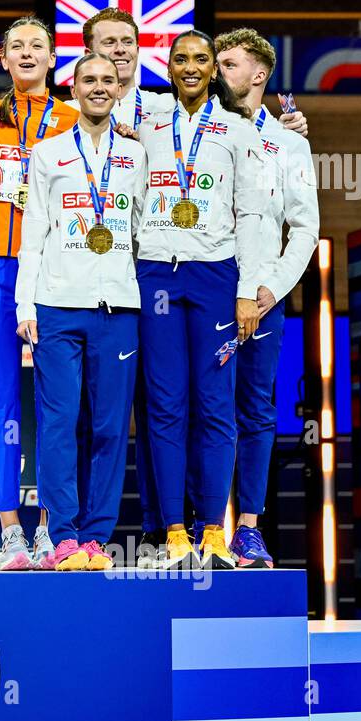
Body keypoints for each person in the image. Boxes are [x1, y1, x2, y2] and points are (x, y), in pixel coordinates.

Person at [135, 29, 276, 569]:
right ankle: (174, 533)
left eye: (201, 59)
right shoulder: (146, 127)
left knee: (216, 408)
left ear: (214, 69)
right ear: (167, 67)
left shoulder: (238, 131)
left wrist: (247, 292)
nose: (190, 67)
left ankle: (213, 532)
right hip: (158, 278)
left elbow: (252, 216)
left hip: (217, 279)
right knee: (166, 405)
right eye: (180, 59)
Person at [16, 52, 147, 570]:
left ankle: (96, 538)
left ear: (119, 88)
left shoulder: (137, 157)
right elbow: (33, 235)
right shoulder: (46, 154)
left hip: (118, 306)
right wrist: (25, 303)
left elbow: (141, 233)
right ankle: (63, 536)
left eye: (107, 80)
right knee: (58, 422)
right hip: (56, 305)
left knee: (112, 427)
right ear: (73, 88)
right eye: (88, 79)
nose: (98, 87)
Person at [0, 17, 80, 570]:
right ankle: (10, 529)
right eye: (16, 46)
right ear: (4, 58)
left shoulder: (72, 118)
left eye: (37, 45)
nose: (26, 53)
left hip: (58, 266)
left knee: (56, 402)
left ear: (52, 57)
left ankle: (50, 527)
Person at [216, 27, 319, 568]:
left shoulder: (291, 143)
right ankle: (200, 527)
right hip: (206, 293)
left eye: (229, 63)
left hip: (263, 299)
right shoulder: (198, 130)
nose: (218, 71)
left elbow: (304, 229)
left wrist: (268, 289)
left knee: (255, 411)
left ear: (259, 74)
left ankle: (249, 530)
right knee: (202, 411)